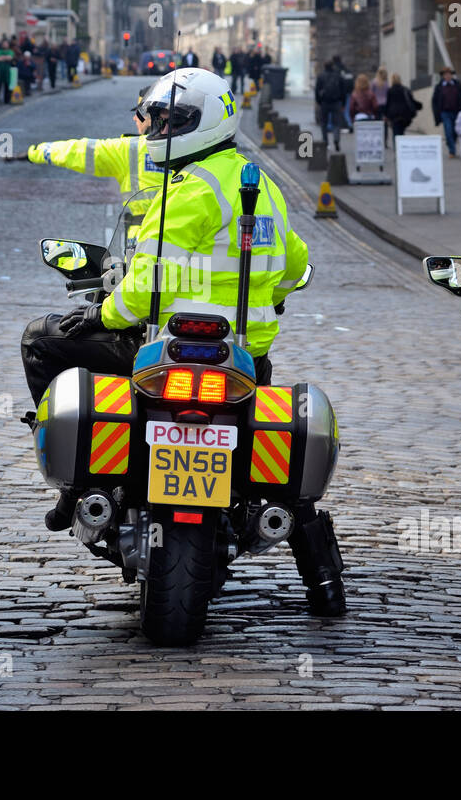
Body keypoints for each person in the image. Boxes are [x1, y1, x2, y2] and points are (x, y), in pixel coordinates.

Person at [19, 67, 344, 616]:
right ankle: (325, 584)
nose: (160, 130)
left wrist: (103, 311)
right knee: (290, 485)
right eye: (161, 119)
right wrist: (273, 292)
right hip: (246, 360)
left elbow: (143, 290)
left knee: (41, 341)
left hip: (166, 351)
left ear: (206, 123)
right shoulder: (260, 184)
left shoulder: (186, 193)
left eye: (173, 121)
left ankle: (75, 485)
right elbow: (294, 263)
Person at [23, 86, 158, 243]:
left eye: (138, 114)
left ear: (151, 116)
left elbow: (77, 151)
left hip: (143, 244)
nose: (135, 118)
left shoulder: (130, 149)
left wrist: (34, 153)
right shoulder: (190, 147)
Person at [431, 66, 461, 157]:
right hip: (445, 112)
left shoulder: (457, 85)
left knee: (454, 132)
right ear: (443, 76)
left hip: (457, 112)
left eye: (449, 74)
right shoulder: (439, 87)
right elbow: (435, 101)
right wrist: (437, 113)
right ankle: (452, 150)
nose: (447, 76)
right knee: (448, 130)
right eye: (445, 74)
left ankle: (451, 143)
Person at [314, 61, 346, 152]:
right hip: (336, 102)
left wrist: (319, 102)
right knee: (336, 123)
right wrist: (343, 103)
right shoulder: (338, 76)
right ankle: (336, 139)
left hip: (324, 102)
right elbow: (343, 91)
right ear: (333, 66)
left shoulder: (321, 76)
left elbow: (317, 90)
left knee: (324, 123)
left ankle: (325, 142)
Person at [384, 73, 419, 137]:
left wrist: (386, 114)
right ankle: (401, 145)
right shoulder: (405, 89)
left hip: (394, 115)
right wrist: (419, 106)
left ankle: (397, 146)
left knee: (396, 134)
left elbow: (387, 104)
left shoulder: (390, 91)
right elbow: (411, 100)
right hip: (404, 115)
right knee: (401, 133)